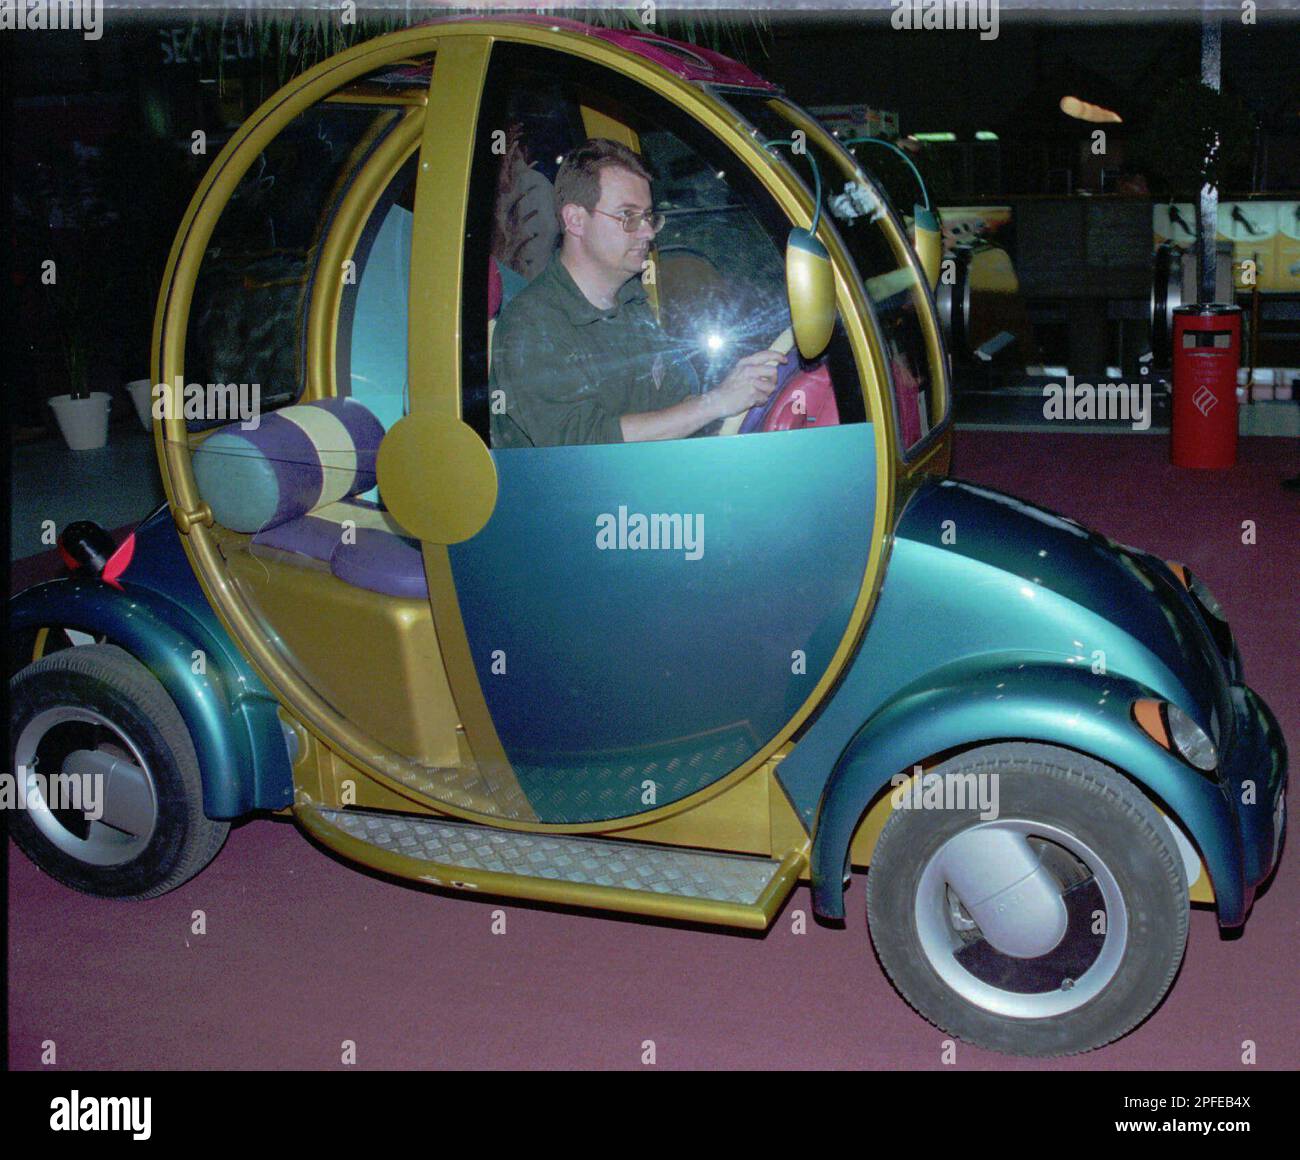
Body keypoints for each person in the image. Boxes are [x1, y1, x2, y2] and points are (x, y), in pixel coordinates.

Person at [489, 138, 787, 448]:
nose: (646, 232)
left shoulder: (630, 302)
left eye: (647, 217)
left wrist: (740, 387)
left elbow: (675, 401)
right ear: (576, 219)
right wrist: (714, 403)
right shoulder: (532, 324)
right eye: (628, 217)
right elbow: (583, 447)